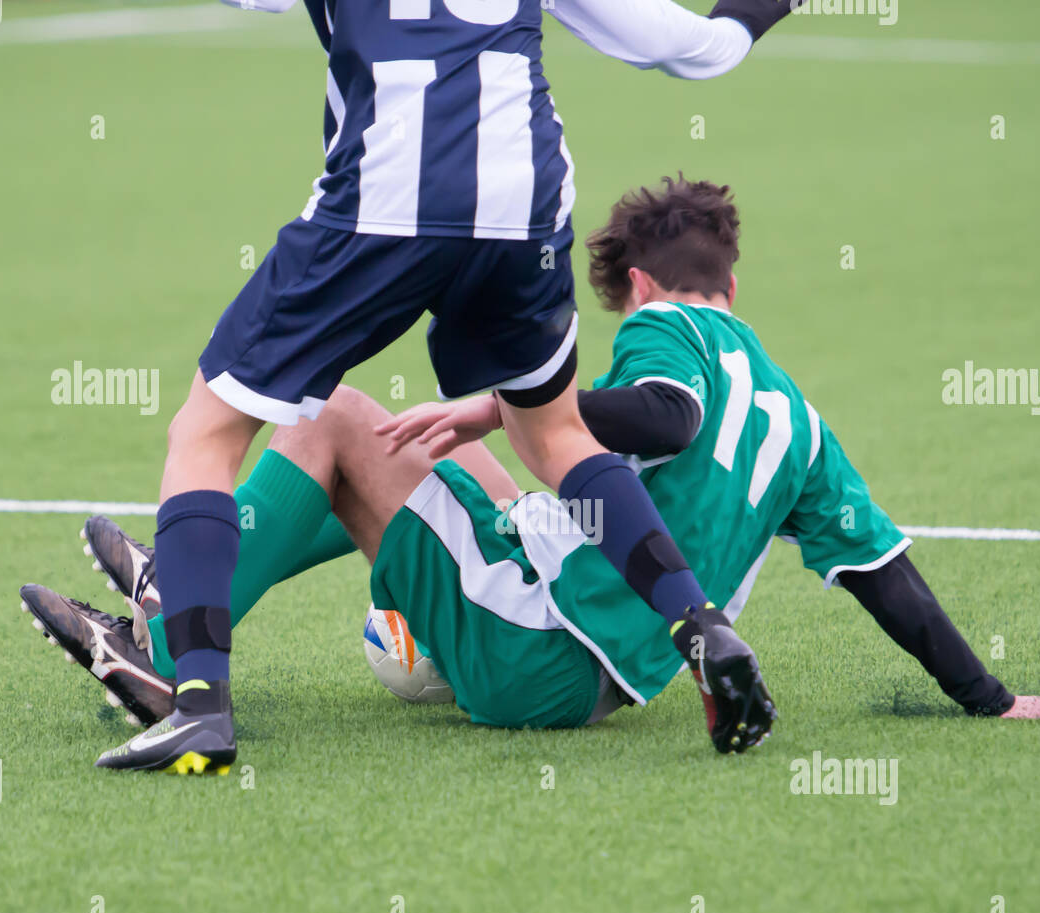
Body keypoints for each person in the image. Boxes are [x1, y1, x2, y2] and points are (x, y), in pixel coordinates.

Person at [20, 177, 1040, 772]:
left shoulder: (663, 335)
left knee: (340, 413)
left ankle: (168, 642)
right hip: (594, 674)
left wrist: (509, 398)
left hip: (535, 647)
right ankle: (181, 583)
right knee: (446, 455)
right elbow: (890, 578)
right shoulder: (800, 420)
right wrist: (991, 697)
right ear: (734, 277)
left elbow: (662, 419)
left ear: (639, 283)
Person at [122, 0, 797, 773]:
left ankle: (199, 702)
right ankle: (697, 621)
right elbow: (695, 49)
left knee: (205, 432)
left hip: (383, 194)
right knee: (557, 434)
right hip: (521, 201)